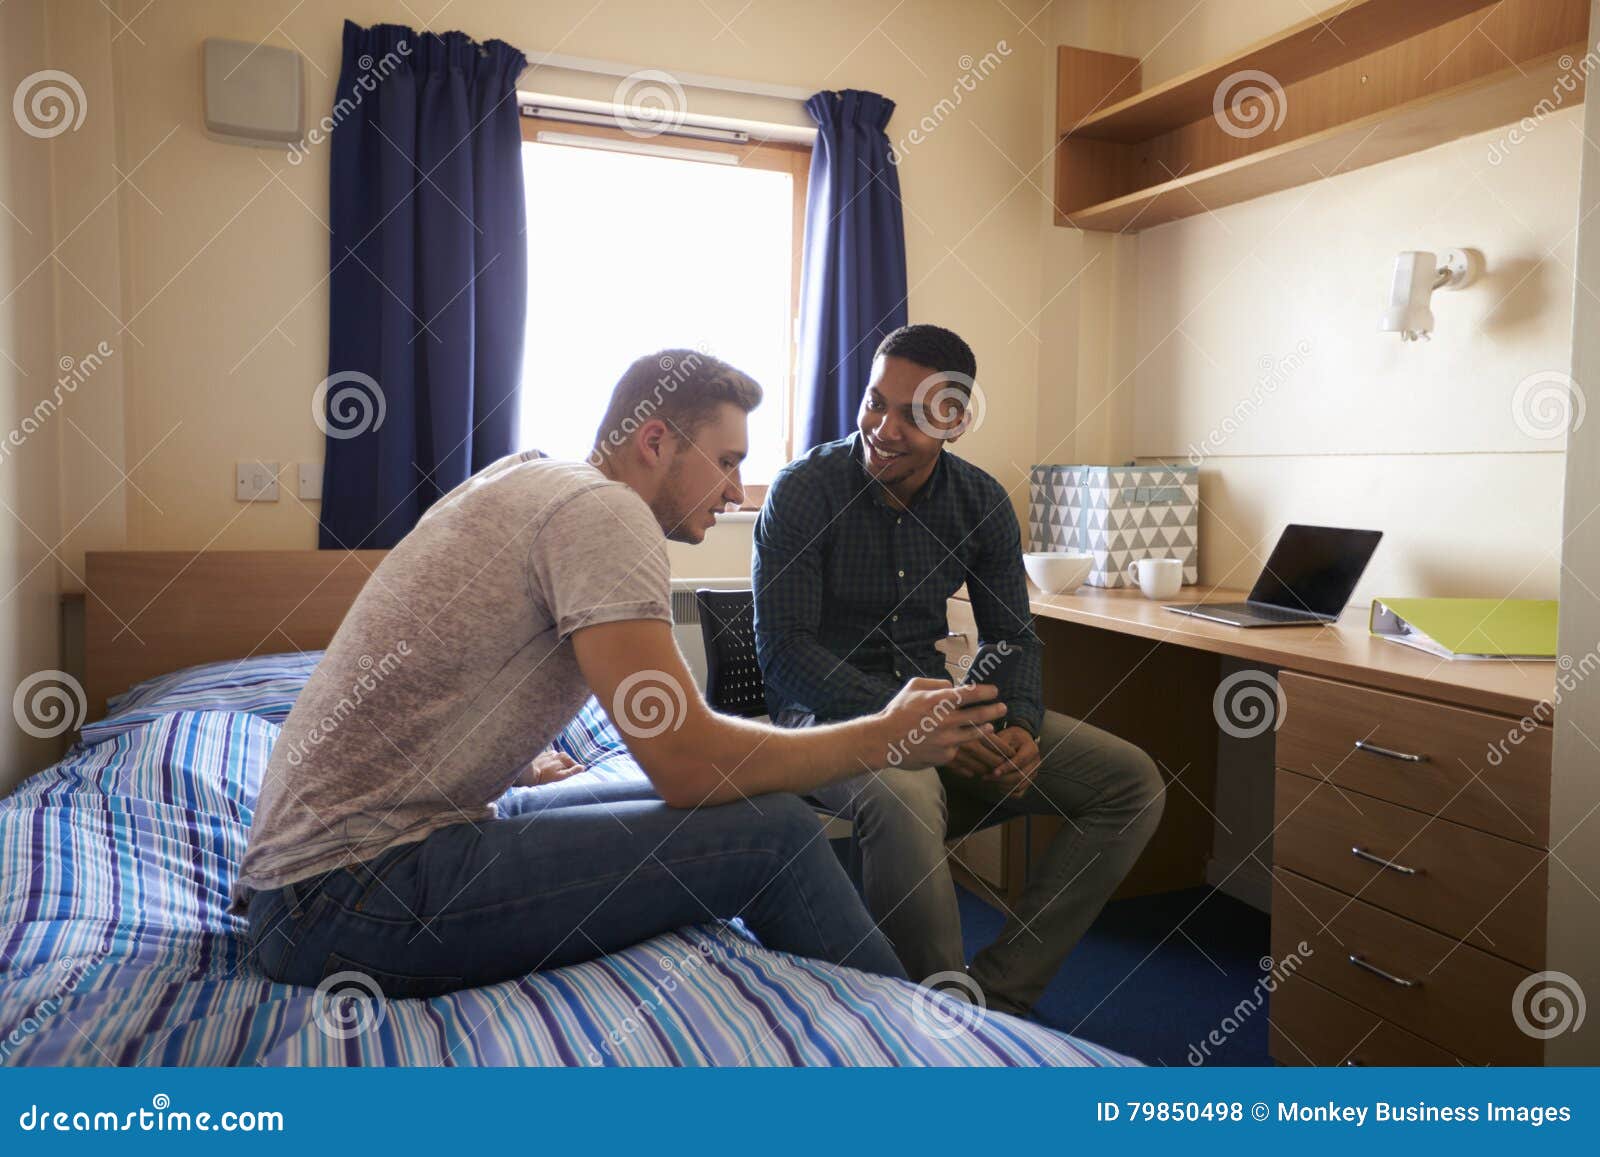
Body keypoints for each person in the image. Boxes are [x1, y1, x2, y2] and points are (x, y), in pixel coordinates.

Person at [236, 349, 1008, 998]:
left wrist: (508, 755)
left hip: (313, 884)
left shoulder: (532, 478)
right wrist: (885, 736)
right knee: (772, 830)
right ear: (656, 441)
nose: (739, 490)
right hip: (345, 898)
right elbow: (685, 764)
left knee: (745, 791)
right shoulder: (607, 515)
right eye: (730, 461)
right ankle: (926, 1057)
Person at [752, 324, 1165, 1017]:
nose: (881, 428)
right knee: (906, 792)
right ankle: (935, 1022)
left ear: (955, 421)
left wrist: (1022, 724)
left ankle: (996, 999)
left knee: (1133, 783)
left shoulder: (980, 501)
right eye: (874, 401)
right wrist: (913, 722)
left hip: (939, 713)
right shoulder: (803, 491)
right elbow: (786, 655)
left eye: (911, 415)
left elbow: (1014, 636)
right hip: (827, 720)